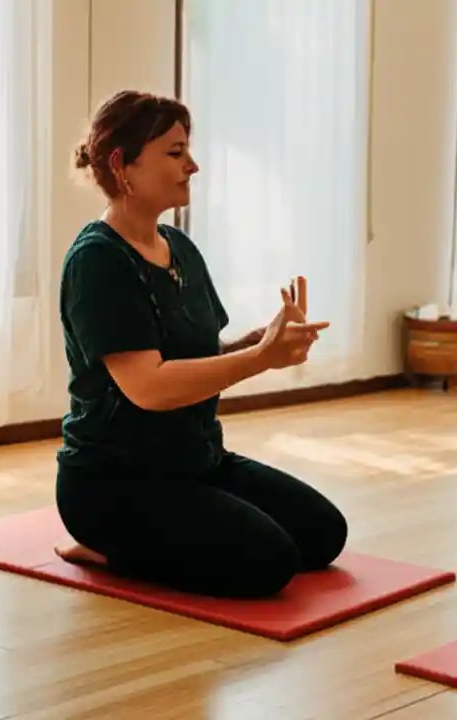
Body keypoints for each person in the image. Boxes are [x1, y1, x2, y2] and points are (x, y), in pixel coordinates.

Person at [54, 90, 347, 599]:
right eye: (175, 152)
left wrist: (261, 342)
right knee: (269, 562)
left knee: (323, 534)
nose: (193, 165)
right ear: (122, 164)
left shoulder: (181, 249)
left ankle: (169, 533)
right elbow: (149, 387)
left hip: (198, 463)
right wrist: (257, 360)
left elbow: (199, 360)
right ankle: (108, 549)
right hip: (115, 485)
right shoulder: (98, 261)